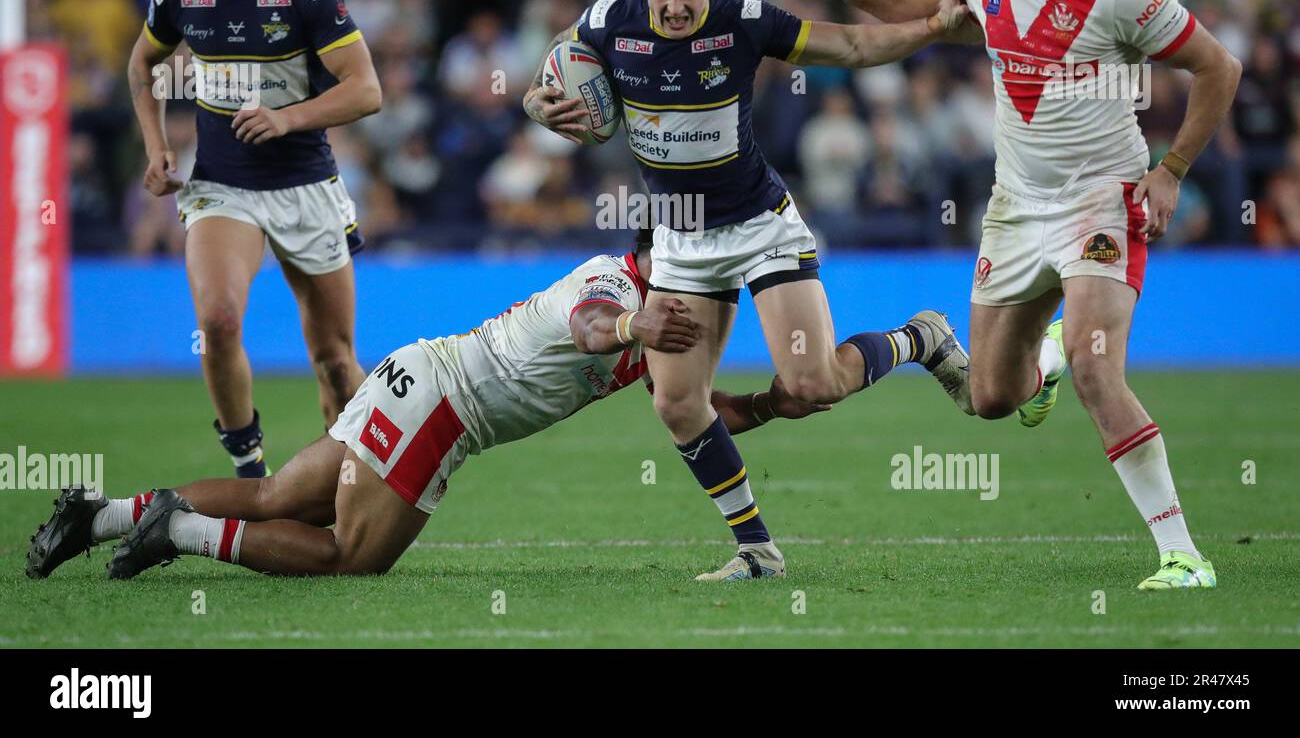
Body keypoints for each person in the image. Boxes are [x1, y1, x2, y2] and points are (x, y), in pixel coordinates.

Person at [797, 0, 1242, 590]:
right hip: (1015, 208)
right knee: (991, 398)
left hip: (1102, 198)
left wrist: (1170, 171)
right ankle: (1043, 359)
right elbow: (937, 21)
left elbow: (1218, 67)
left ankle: (1183, 556)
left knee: (1104, 373)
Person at [27, 230, 948, 582]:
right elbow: (593, 327)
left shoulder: (663, 319)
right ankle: (177, 534)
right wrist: (634, 325)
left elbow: (705, 411)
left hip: (423, 371)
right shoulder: (615, 286)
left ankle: (101, 515)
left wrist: (771, 404)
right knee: (352, 559)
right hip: (449, 407)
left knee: (280, 501)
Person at [523, 0, 977, 580]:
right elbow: (556, 59)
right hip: (681, 239)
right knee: (677, 403)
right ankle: (757, 550)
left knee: (812, 384)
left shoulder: (744, 21)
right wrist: (538, 102)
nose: (676, 8)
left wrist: (932, 29)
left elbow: (847, 46)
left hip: (762, 226)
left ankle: (921, 338)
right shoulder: (606, 19)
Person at [126, 0, 382, 478]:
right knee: (217, 320)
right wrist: (155, 146)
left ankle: (345, 485)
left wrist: (287, 117)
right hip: (222, 183)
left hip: (305, 184)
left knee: (335, 359)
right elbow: (143, 68)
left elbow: (366, 90)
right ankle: (249, 466)